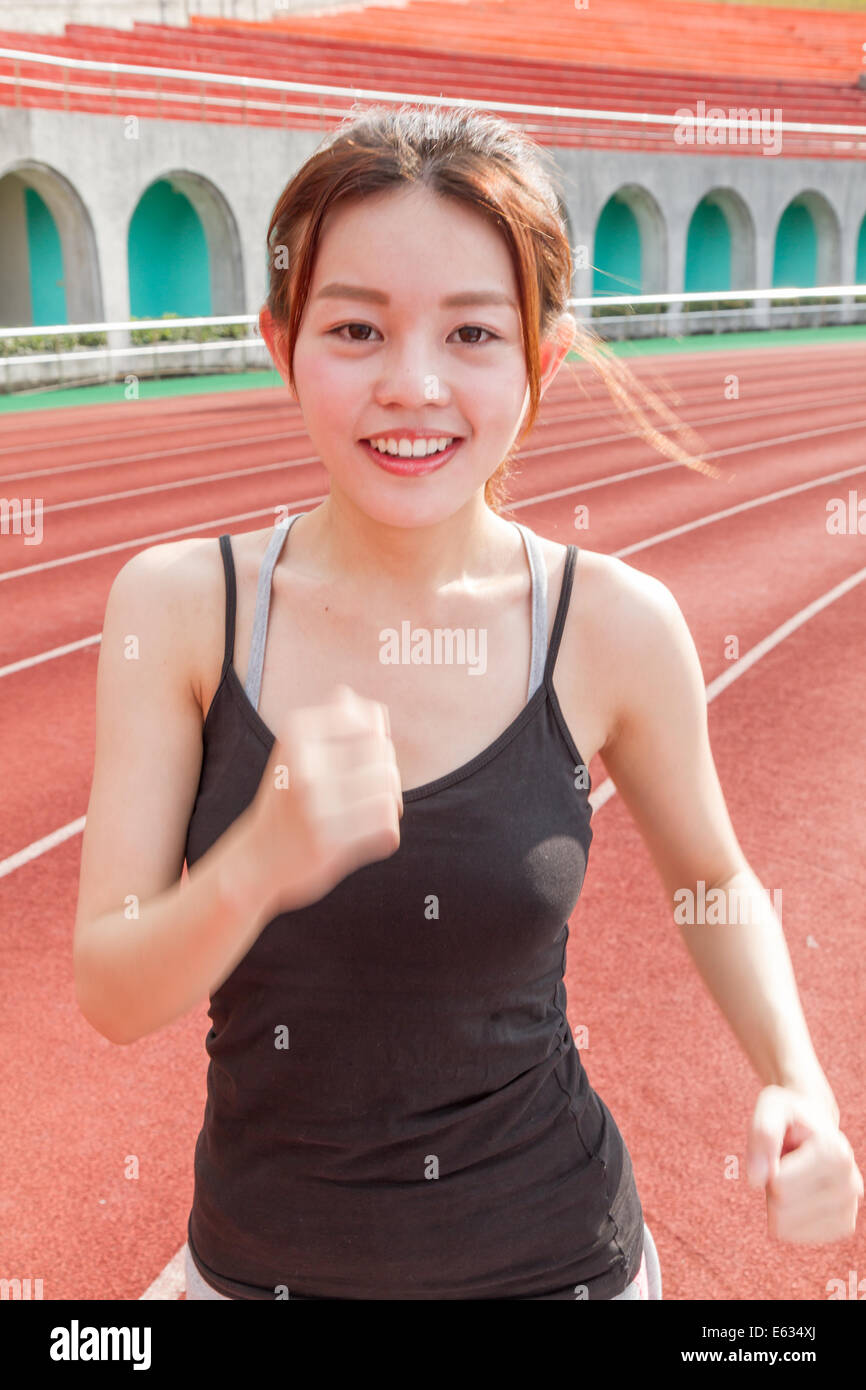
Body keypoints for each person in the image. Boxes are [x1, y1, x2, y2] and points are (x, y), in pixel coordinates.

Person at [73, 104, 861, 1301]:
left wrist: (796, 1080)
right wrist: (258, 861)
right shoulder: (182, 609)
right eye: (355, 328)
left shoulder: (612, 623)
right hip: (254, 1272)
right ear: (280, 342)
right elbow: (112, 991)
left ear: (541, 362)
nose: (413, 384)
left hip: (560, 1264)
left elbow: (712, 877)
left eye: (472, 332)